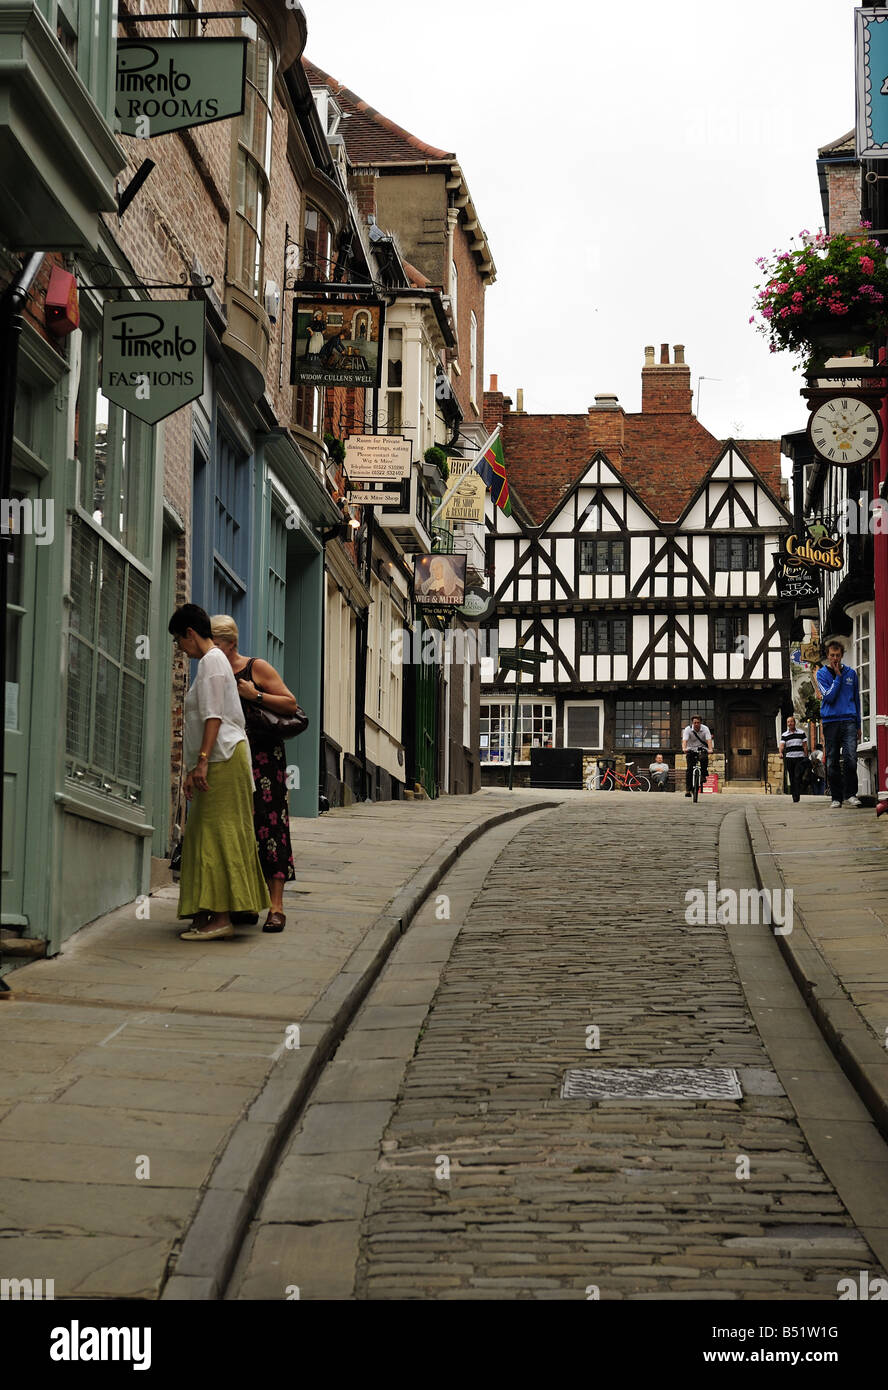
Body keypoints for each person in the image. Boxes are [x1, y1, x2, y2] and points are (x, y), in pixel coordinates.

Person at [168, 604, 269, 940]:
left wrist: (201, 762)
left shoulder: (211, 662)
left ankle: (221, 917)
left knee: (218, 833)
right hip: (223, 756)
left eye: (178, 640)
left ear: (190, 634)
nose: (180, 648)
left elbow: (214, 717)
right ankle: (210, 910)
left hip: (223, 757)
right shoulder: (215, 662)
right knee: (204, 832)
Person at [211, 615, 299, 932]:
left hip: (265, 759)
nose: (213, 650)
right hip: (233, 759)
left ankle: (276, 908)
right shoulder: (213, 670)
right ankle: (247, 902)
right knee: (241, 830)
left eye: (218, 644)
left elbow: (291, 705)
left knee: (271, 829)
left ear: (232, 643)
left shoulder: (255, 668)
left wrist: (256, 695)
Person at [816, 639, 862, 809]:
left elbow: (856, 699)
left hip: (849, 720)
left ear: (842, 656)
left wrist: (858, 725)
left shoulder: (852, 674)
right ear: (828, 656)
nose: (835, 658)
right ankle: (836, 797)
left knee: (851, 758)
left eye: (838, 655)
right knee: (832, 761)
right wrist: (837, 678)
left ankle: (851, 794)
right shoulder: (821, 674)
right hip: (831, 722)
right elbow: (828, 696)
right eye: (832, 655)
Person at [779, 715, 809, 803]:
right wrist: (780, 752)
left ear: (794, 723)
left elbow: (805, 746)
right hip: (789, 758)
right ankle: (794, 796)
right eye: (788, 722)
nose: (790, 723)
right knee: (792, 777)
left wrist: (806, 756)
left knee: (797, 776)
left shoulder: (801, 733)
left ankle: (797, 794)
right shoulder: (784, 735)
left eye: (791, 721)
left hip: (799, 758)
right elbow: (781, 745)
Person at [682, 713, 713, 797]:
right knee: (689, 769)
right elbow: (684, 740)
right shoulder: (688, 729)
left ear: (700, 723)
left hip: (702, 748)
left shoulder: (705, 729)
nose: (696, 724)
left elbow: (709, 740)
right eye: (694, 722)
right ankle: (688, 790)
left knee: (704, 758)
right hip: (690, 749)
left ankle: (703, 775)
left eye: (698, 722)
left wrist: (710, 749)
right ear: (692, 723)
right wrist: (684, 748)